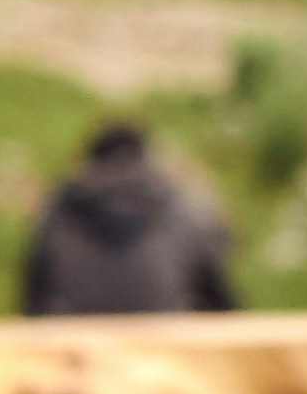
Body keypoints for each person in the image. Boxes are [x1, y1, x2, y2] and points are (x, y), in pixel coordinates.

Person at [20, 118, 236, 316]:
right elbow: (222, 303)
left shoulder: (58, 210)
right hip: (161, 340)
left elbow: (32, 300)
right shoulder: (181, 208)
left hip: (73, 340)